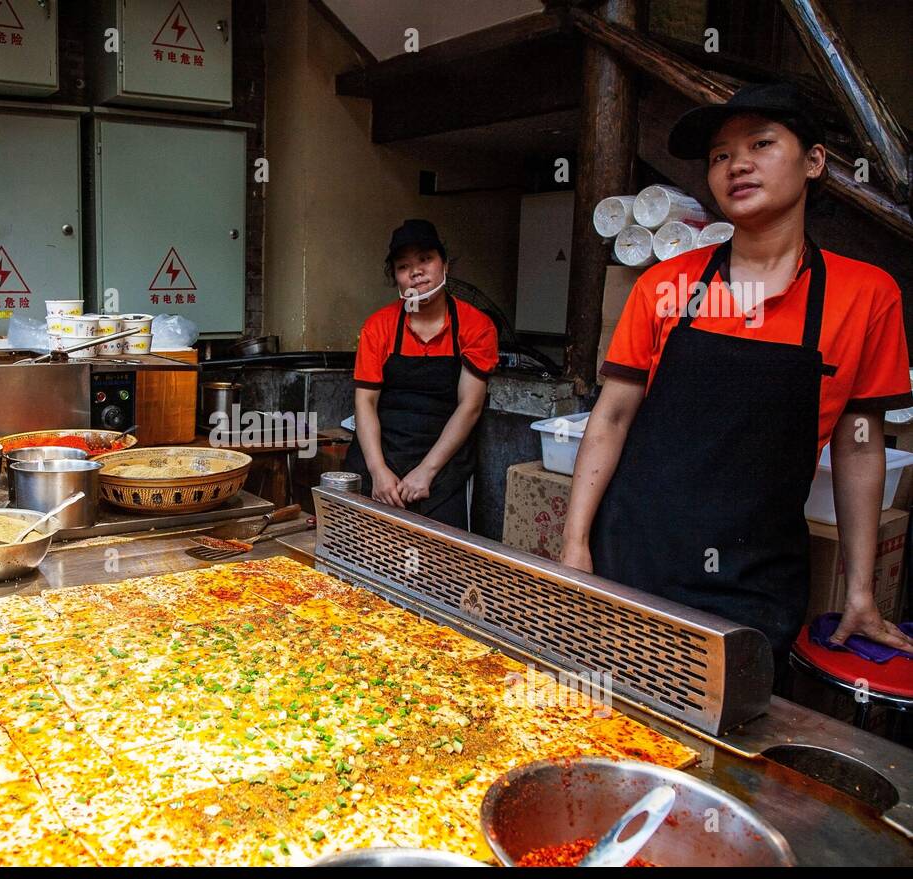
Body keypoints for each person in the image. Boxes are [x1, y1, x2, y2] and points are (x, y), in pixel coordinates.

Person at [561, 83, 913, 682]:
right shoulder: (665, 285)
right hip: (634, 555)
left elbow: (858, 446)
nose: (737, 164)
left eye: (761, 143)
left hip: (755, 578)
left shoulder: (867, 294)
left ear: (815, 161)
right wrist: (574, 546)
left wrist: (860, 593)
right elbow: (613, 415)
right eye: (721, 155)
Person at [345, 219, 498, 530]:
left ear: (445, 264)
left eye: (426, 259)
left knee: (438, 564)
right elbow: (365, 404)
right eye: (403, 266)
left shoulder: (476, 326)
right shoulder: (379, 326)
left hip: (442, 463)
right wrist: (378, 471)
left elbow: (470, 407)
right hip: (382, 454)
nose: (415, 272)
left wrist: (426, 471)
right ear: (397, 278)